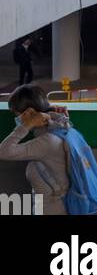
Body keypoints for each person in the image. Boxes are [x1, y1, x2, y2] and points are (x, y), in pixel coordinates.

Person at [0, 85, 71, 215]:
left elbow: (3, 151)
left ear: (30, 113)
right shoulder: (59, 125)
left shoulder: (45, 142)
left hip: (52, 210)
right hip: (48, 207)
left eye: (17, 115)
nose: (17, 120)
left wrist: (26, 126)